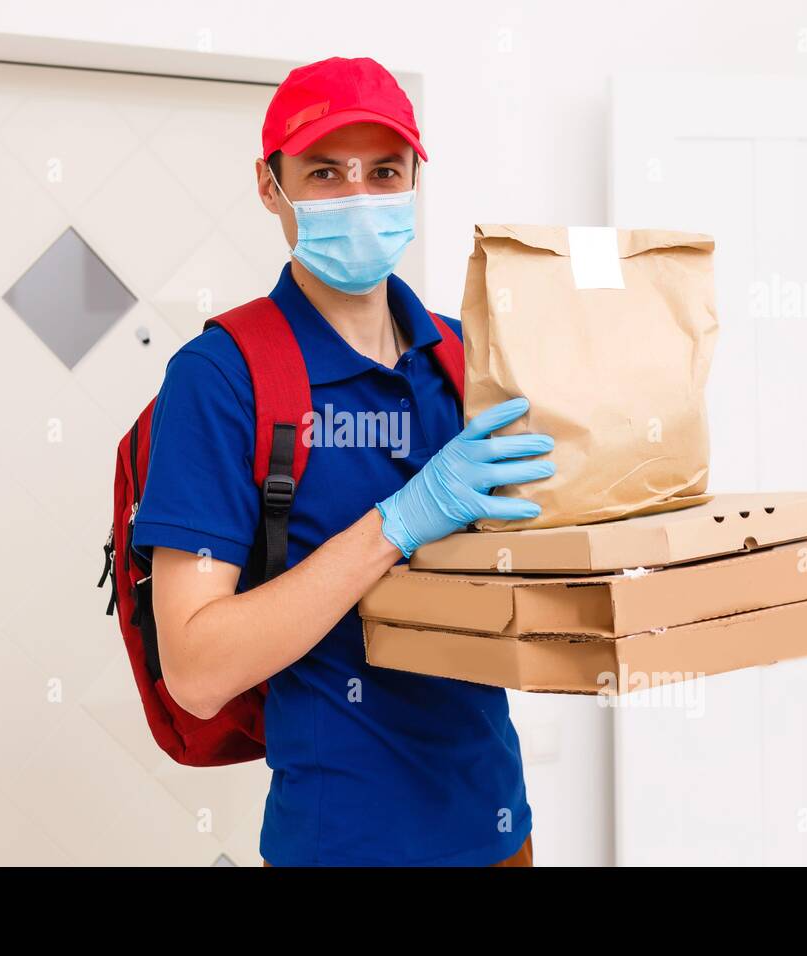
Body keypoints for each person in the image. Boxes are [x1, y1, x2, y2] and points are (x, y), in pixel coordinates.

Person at [132, 56, 555, 867]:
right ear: (270, 185)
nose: (360, 197)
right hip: (343, 846)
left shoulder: (464, 357)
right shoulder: (222, 377)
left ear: (413, 185)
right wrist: (398, 521)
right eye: (325, 172)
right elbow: (196, 669)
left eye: (384, 171)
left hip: (503, 832)